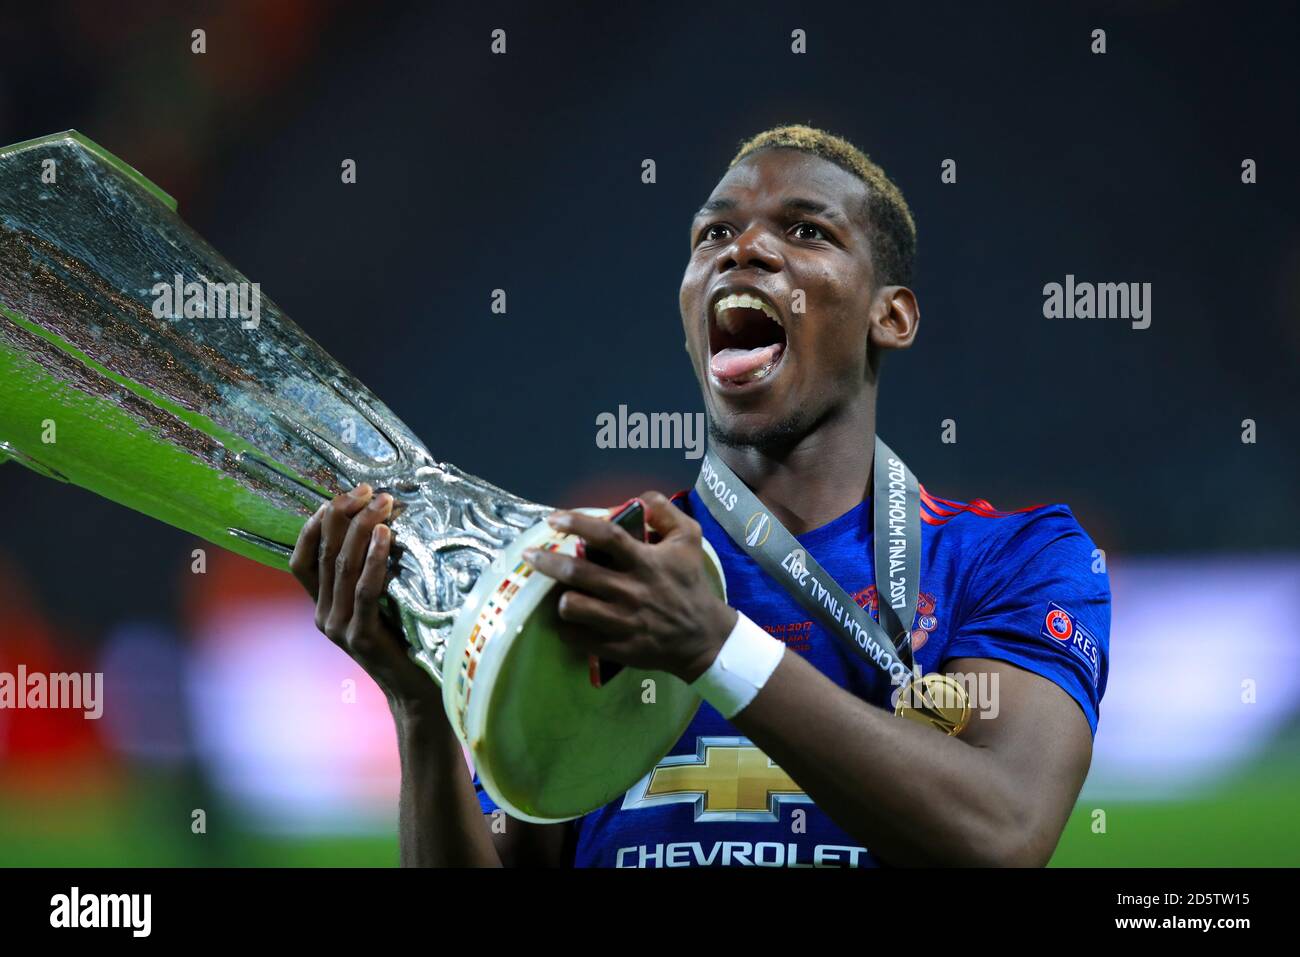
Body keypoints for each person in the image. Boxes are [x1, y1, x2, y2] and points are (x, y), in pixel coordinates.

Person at [290, 124, 1110, 867]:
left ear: (889, 316)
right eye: (714, 232)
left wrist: (713, 645)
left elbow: (1003, 834)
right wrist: (421, 706)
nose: (743, 247)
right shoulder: (589, 573)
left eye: (806, 230)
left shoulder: (1015, 559)